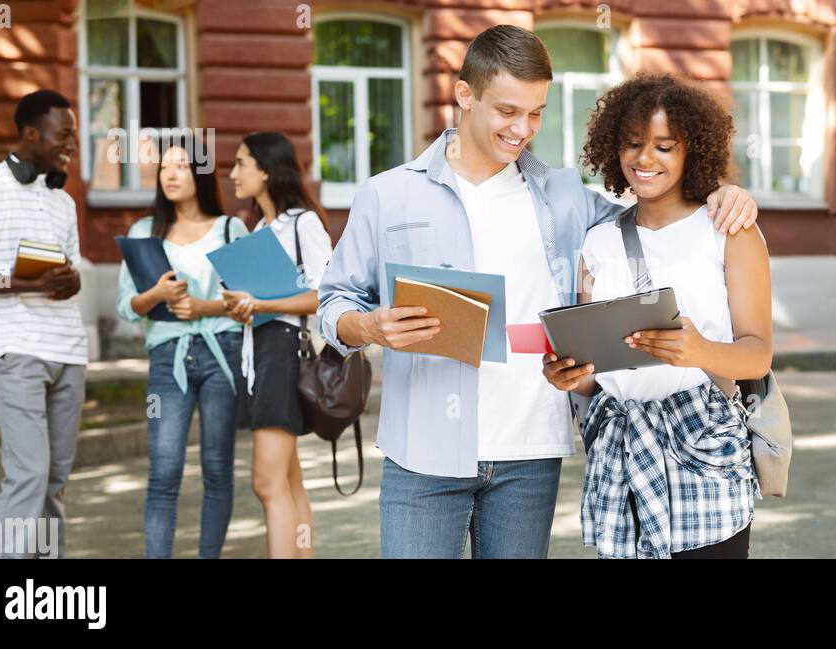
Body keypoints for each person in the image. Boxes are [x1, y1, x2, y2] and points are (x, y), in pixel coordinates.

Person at [318, 25, 761, 559]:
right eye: (508, 111)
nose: (523, 129)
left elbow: (656, 210)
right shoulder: (388, 195)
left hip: (529, 455)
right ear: (465, 94)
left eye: (536, 112)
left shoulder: (566, 196)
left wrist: (721, 188)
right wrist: (368, 327)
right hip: (424, 454)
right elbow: (334, 300)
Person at [543, 73, 773, 559]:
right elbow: (594, 375)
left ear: (693, 150)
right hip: (622, 452)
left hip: (703, 450)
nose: (644, 159)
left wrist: (699, 351)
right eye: (632, 144)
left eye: (664, 146)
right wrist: (570, 376)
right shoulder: (599, 240)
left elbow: (758, 355)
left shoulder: (728, 230)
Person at [0, 89, 84, 558]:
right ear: (31, 132)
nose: (72, 143)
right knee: (28, 473)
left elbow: (69, 279)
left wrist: (68, 280)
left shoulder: (64, 203)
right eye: (63, 134)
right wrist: (28, 283)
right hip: (16, 348)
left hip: (69, 350)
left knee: (54, 481)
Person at [115, 136, 247, 559]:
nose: (169, 174)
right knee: (164, 471)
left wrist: (204, 307)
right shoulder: (143, 232)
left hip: (222, 355)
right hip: (166, 359)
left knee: (216, 469)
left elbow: (251, 306)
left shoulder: (230, 229)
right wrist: (155, 294)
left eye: (181, 166)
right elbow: (126, 307)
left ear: (201, 174)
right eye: (164, 167)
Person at [222, 132, 333, 559]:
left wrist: (262, 302)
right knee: (288, 482)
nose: (233, 174)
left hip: (285, 351)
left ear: (266, 170)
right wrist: (242, 307)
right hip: (260, 350)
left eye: (241, 163)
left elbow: (326, 294)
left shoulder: (303, 222)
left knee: (266, 484)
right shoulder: (259, 228)